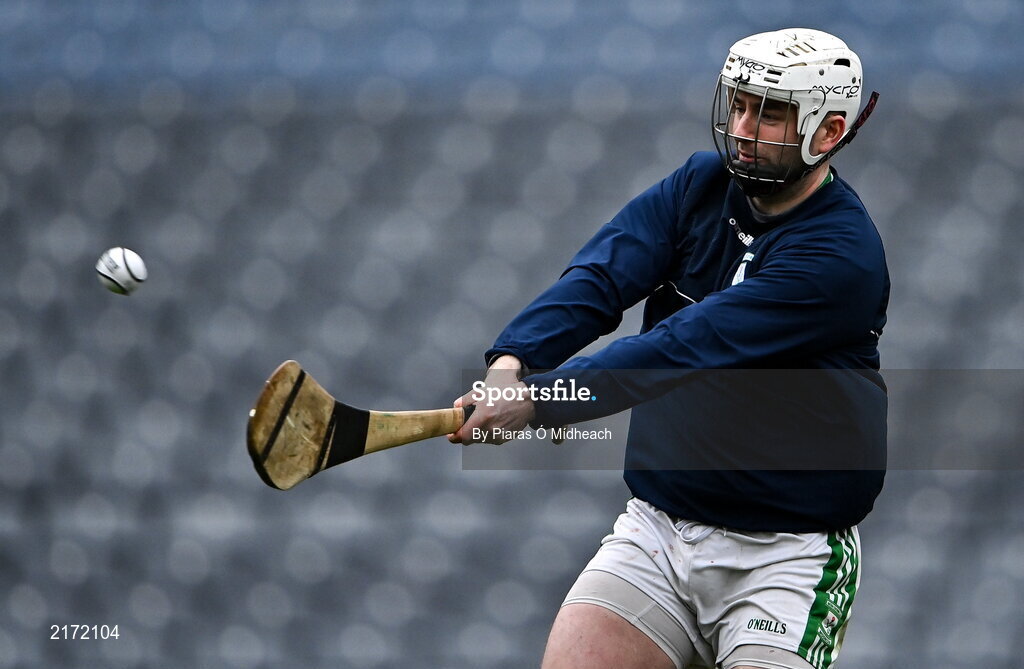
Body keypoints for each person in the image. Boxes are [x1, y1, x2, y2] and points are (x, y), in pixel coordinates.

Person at [450, 28, 889, 669]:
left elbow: (683, 349)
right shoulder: (699, 185)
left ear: (828, 132)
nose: (744, 128)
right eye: (740, 105)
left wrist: (542, 402)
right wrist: (512, 363)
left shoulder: (838, 256)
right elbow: (600, 278)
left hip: (786, 555)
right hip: (658, 530)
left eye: (770, 114)